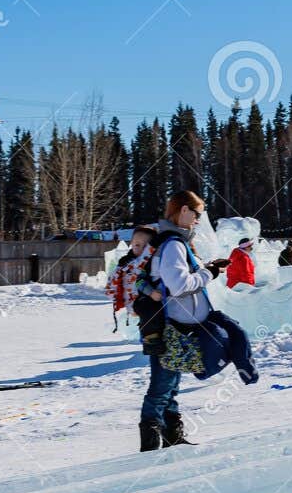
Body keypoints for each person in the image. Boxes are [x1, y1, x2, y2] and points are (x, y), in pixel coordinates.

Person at [139, 191, 257, 452]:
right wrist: (209, 273)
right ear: (183, 210)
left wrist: (208, 268)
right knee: (161, 387)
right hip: (170, 328)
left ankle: (172, 438)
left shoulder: (173, 242)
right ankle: (150, 446)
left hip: (173, 327)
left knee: (170, 385)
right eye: (197, 214)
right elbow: (179, 286)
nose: (198, 220)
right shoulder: (173, 244)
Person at [106, 226, 155, 331]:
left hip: (145, 309)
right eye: (137, 245)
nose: (141, 249)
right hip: (134, 308)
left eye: (145, 246)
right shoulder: (126, 264)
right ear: (131, 244)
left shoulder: (153, 263)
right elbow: (112, 287)